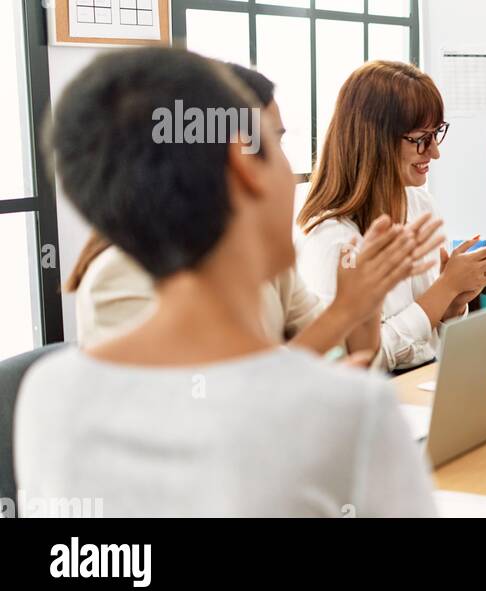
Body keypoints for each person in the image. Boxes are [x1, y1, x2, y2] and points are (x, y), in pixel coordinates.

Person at [17, 48, 436, 516]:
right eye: (274, 145)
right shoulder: (349, 412)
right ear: (243, 165)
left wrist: (361, 304)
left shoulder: (44, 393)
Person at [65, 64, 435, 365]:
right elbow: (219, 403)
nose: (286, 164)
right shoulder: (119, 277)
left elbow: (347, 361)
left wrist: (364, 302)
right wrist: (345, 310)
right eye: (270, 143)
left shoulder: (267, 265)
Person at [296, 61, 486, 371]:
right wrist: (445, 289)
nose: (434, 152)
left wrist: (453, 303)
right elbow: (353, 364)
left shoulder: (420, 205)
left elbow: (429, 345)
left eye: (436, 134)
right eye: (420, 139)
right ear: (374, 139)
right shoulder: (331, 239)